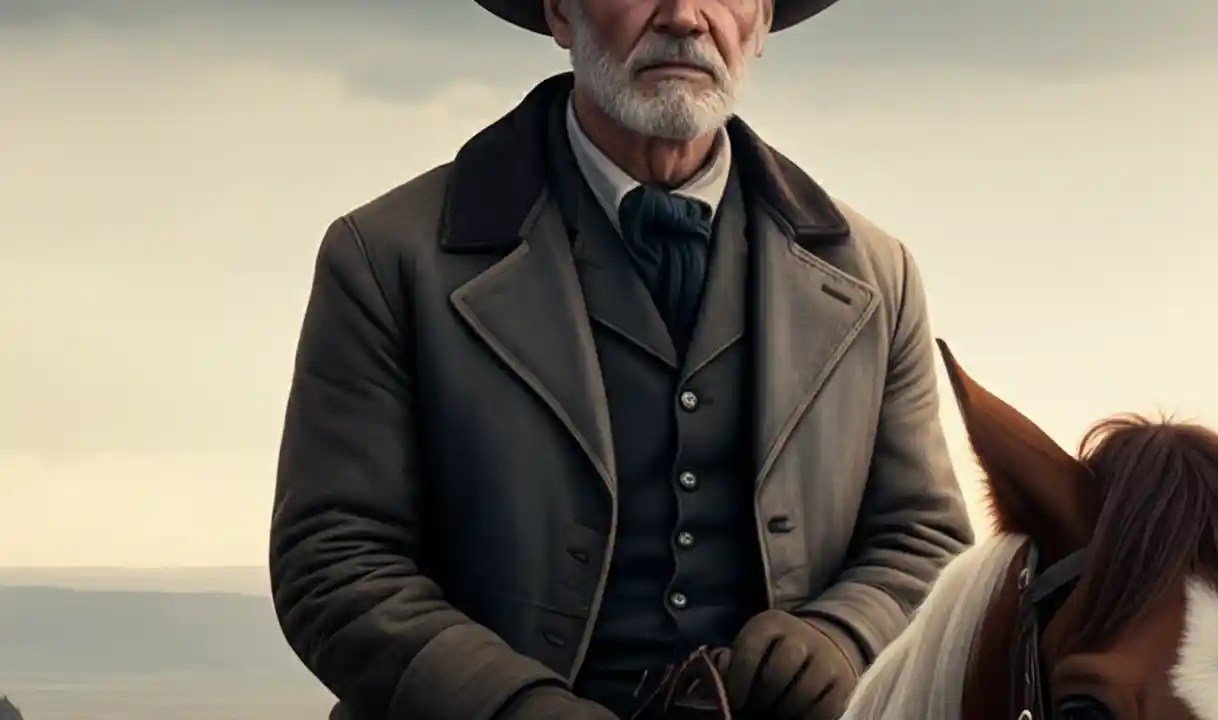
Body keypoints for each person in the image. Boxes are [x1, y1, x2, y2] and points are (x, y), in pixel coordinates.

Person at [268, 1, 975, 718]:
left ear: (760, 23)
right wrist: (509, 705)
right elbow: (333, 561)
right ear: (561, 14)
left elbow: (925, 537)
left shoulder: (877, 276)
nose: (684, 17)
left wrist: (843, 636)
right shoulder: (386, 257)